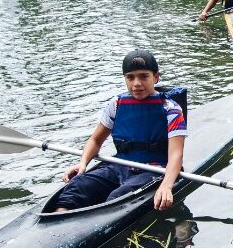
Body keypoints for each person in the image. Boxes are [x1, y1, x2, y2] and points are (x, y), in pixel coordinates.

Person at [53, 49, 186, 212]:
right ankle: (61, 218)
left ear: (156, 77)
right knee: (75, 188)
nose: (136, 83)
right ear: (125, 78)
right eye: (130, 77)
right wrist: (82, 163)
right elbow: (95, 140)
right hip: (120, 165)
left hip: (155, 169)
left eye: (144, 76)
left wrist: (166, 185)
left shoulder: (170, 109)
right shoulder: (116, 104)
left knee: (117, 199)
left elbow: (176, 154)